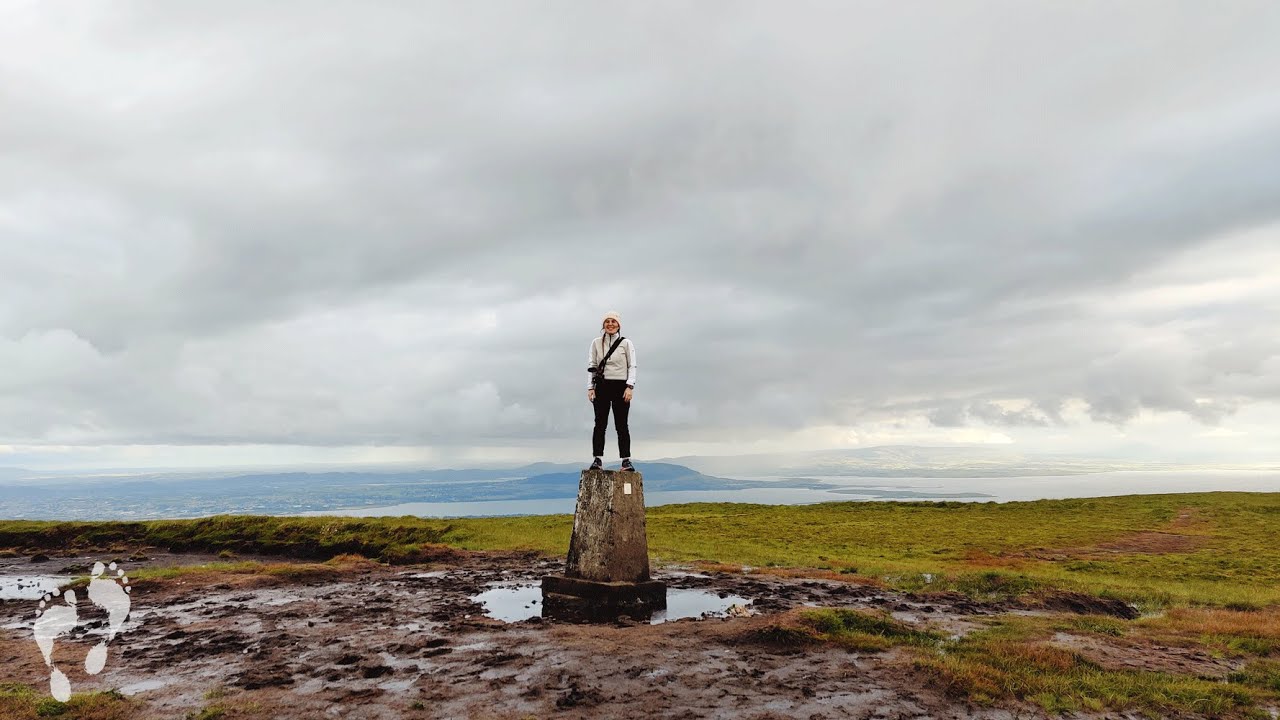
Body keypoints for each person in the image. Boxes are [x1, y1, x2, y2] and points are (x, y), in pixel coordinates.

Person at [587, 311, 636, 471]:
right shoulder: (596, 343)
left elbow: (632, 365)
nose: (610, 324)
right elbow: (592, 365)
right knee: (600, 424)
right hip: (602, 385)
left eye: (613, 321)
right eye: (607, 321)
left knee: (621, 424)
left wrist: (630, 386)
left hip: (621, 386)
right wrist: (590, 387)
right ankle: (597, 459)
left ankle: (626, 460)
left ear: (618, 325)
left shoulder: (626, 343)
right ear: (603, 325)